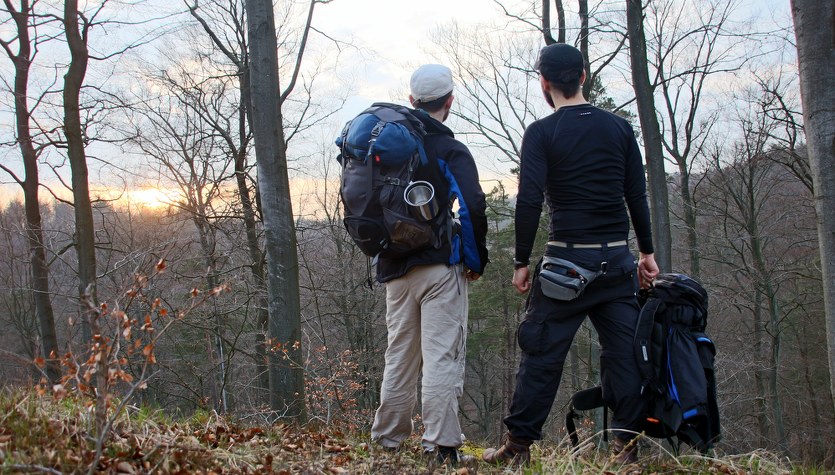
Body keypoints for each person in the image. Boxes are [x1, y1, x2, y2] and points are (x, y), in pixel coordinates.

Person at [482, 43, 659, 466]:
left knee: (541, 355)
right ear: (582, 76)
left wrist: (521, 261)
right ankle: (625, 453)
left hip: (564, 269)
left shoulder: (542, 133)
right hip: (617, 265)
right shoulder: (619, 128)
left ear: (544, 83)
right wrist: (646, 252)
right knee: (626, 357)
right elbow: (636, 195)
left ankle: (517, 450)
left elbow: (529, 201)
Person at [370, 64, 489, 466]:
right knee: (441, 356)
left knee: (399, 355)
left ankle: (387, 441)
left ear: (411, 101)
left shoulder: (384, 146)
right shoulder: (447, 148)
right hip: (439, 266)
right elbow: (472, 205)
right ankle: (441, 446)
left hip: (394, 267)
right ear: (449, 101)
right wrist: (475, 259)